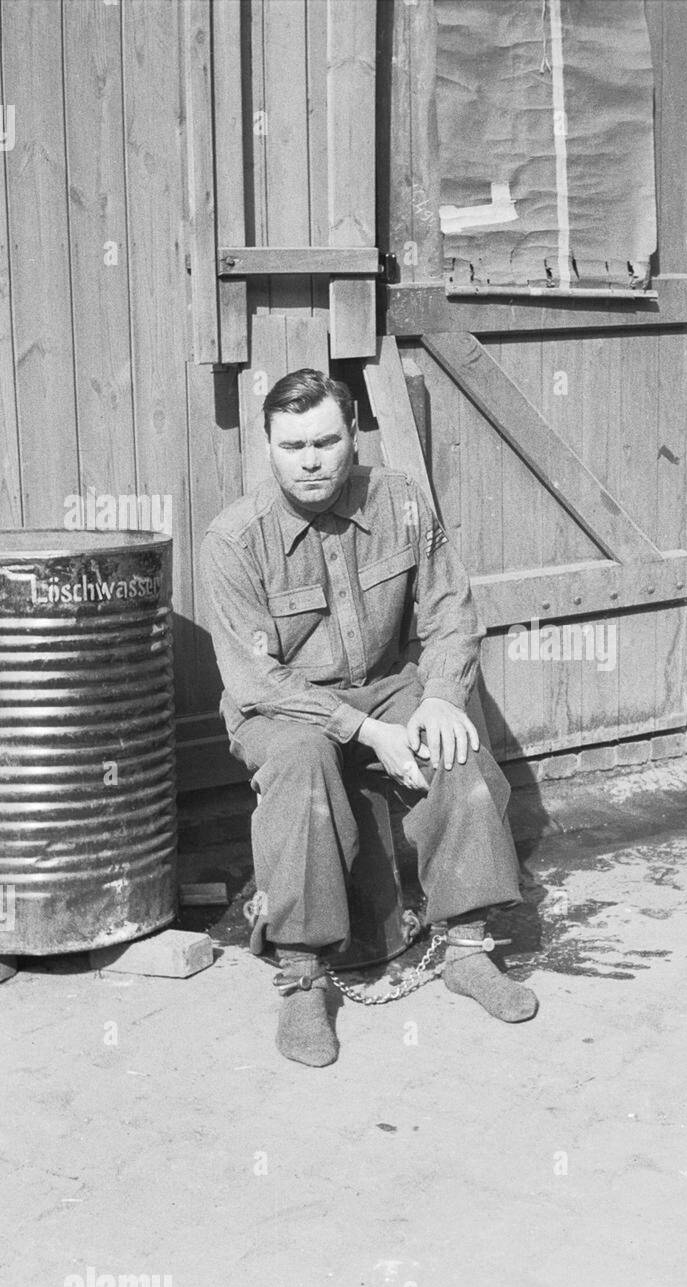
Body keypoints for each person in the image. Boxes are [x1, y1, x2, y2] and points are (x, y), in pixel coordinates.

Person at [201, 368, 537, 1067]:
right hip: (281, 707)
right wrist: (364, 731)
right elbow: (256, 679)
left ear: (354, 434)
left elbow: (450, 612)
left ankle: (468, 946)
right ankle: (302, 974)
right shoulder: (234, 541)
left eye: (327, 440)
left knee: (454, 739)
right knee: (301, 760)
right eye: (293, 445)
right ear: (268, 445)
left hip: (386, 688)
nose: (312, 459)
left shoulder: (404, 501)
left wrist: (442, 693)